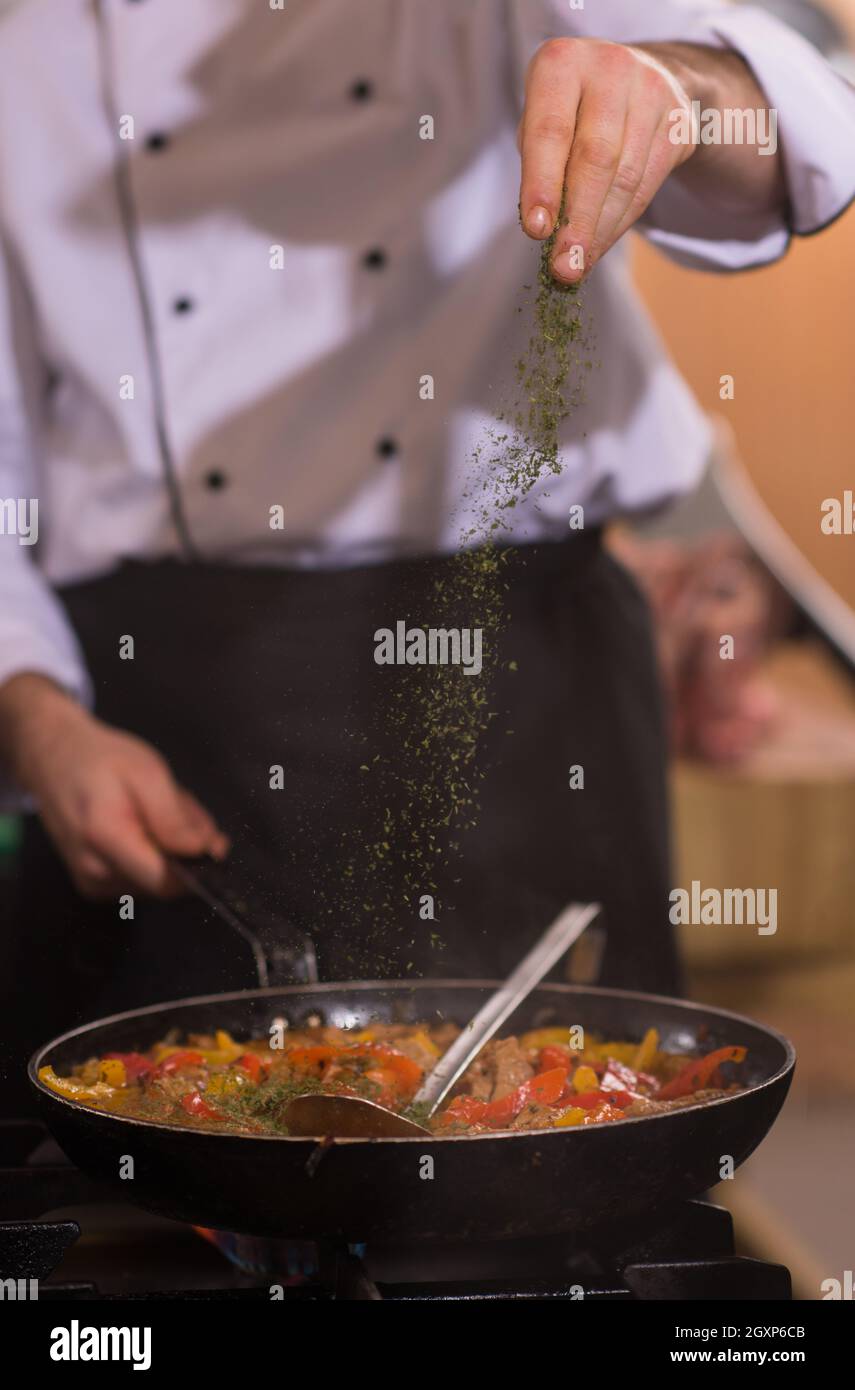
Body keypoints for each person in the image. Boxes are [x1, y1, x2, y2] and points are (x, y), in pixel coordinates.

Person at [0, 0, 853, 1112]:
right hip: (149, 728)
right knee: (154, 1174)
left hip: (518, 701)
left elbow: (794, 121)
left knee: (578, 1158)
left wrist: (676, 90)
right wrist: (34, 717)